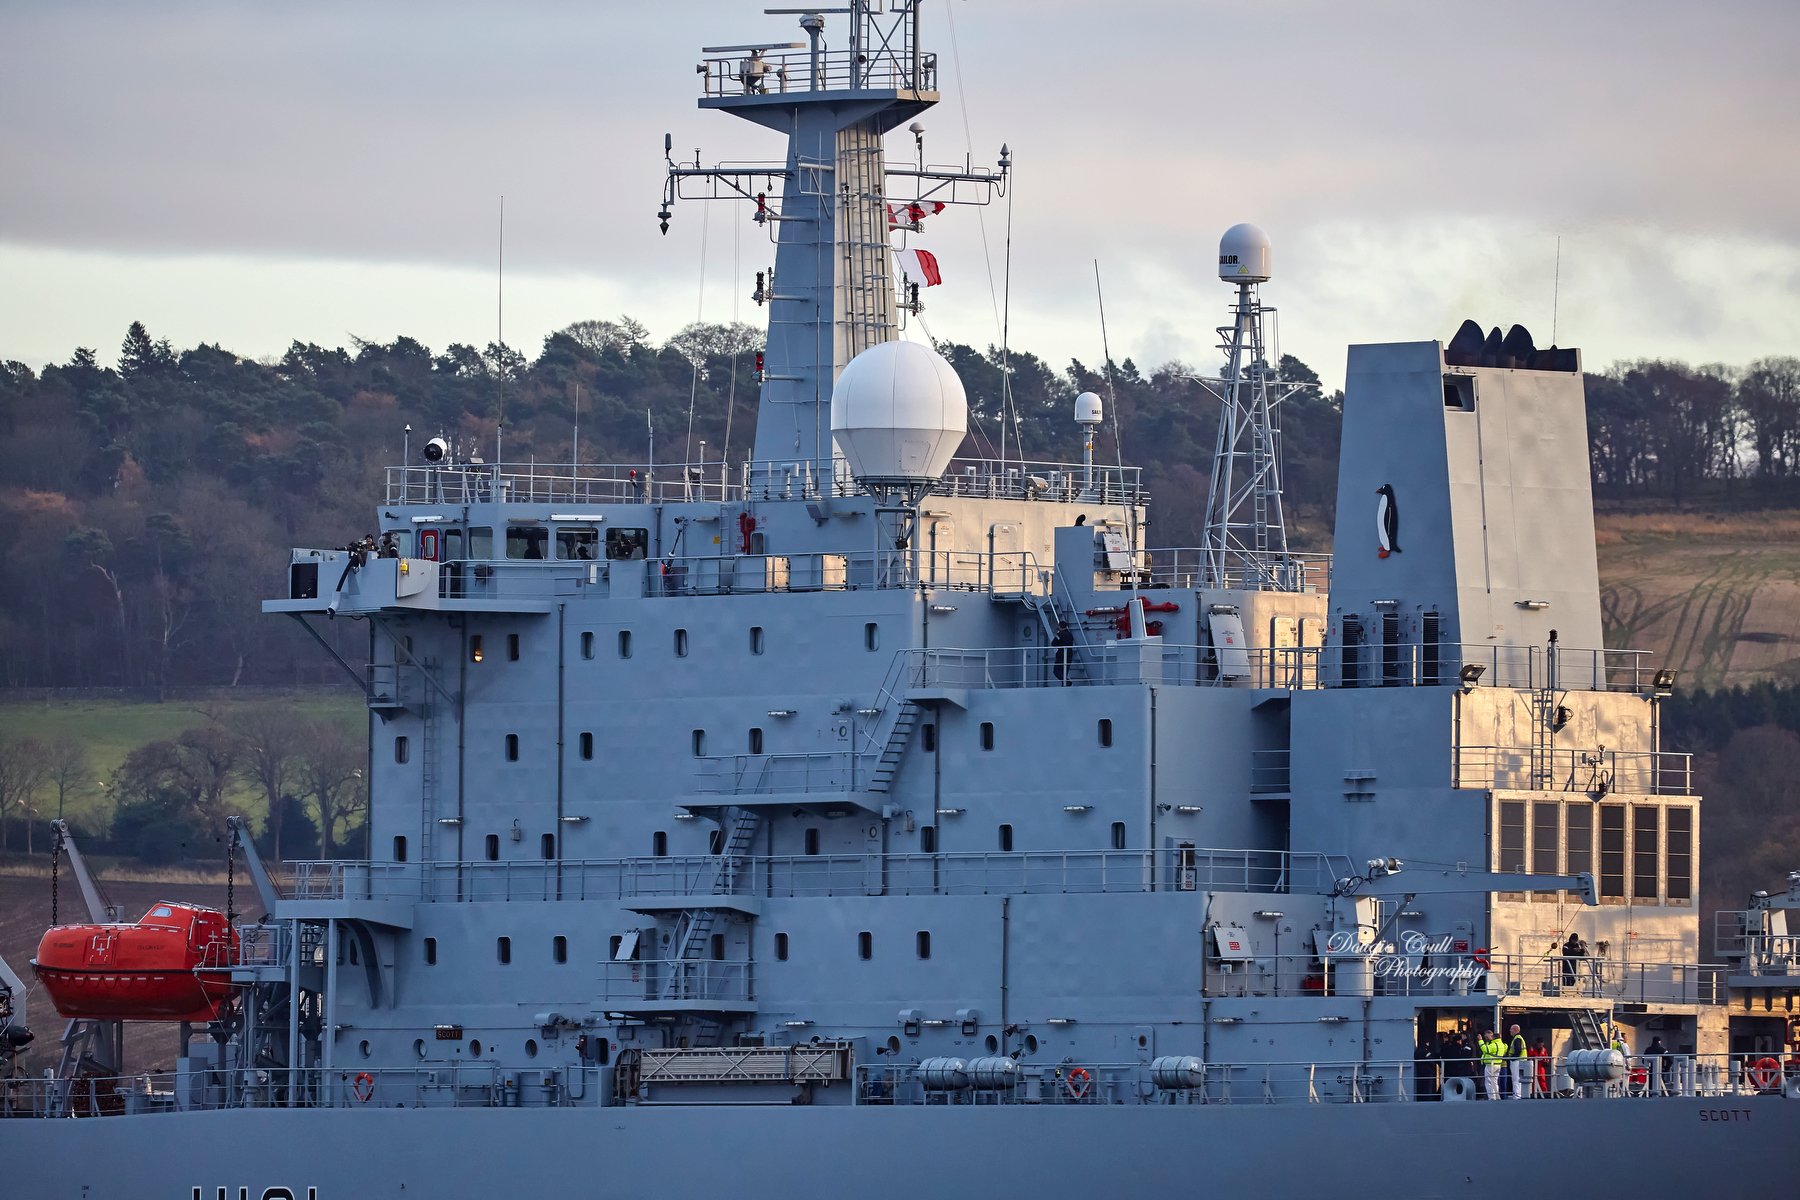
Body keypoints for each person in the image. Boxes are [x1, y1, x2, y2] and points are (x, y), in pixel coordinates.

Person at [1506, 1024, 1530, 1099]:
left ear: (1516, 1030)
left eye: (1511, 1029)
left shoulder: (1517, 1039)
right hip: (1522, 1061)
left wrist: (1511, 1058)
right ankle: (1520, 1094)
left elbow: (1518, 1050)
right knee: (1520, 1078)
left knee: (1516, 1078)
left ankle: (1517, 1095)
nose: (1510, 1031)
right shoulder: (1519, 1038)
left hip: (1517, 1061)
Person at [1479, 1029, 1503, 1099]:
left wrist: (1480, 1040)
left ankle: (1492, 1097)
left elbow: (1485, 1049)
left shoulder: (1494, 1044)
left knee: (1489, 1082)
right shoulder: (1501, 1044)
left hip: (1491, 1065)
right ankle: (1497, 1096)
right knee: (1495, 1081)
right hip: (1498, 1064)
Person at [1051, 620, 1075, 685]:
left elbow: (1053, 643)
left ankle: (1067, 682)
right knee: (1065, 672)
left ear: (1059, 626)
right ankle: (1065, 685)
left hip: (1061, 655)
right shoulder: (1070, 635)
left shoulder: (1060, 634)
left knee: (1056, 671)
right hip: (1069, 654)